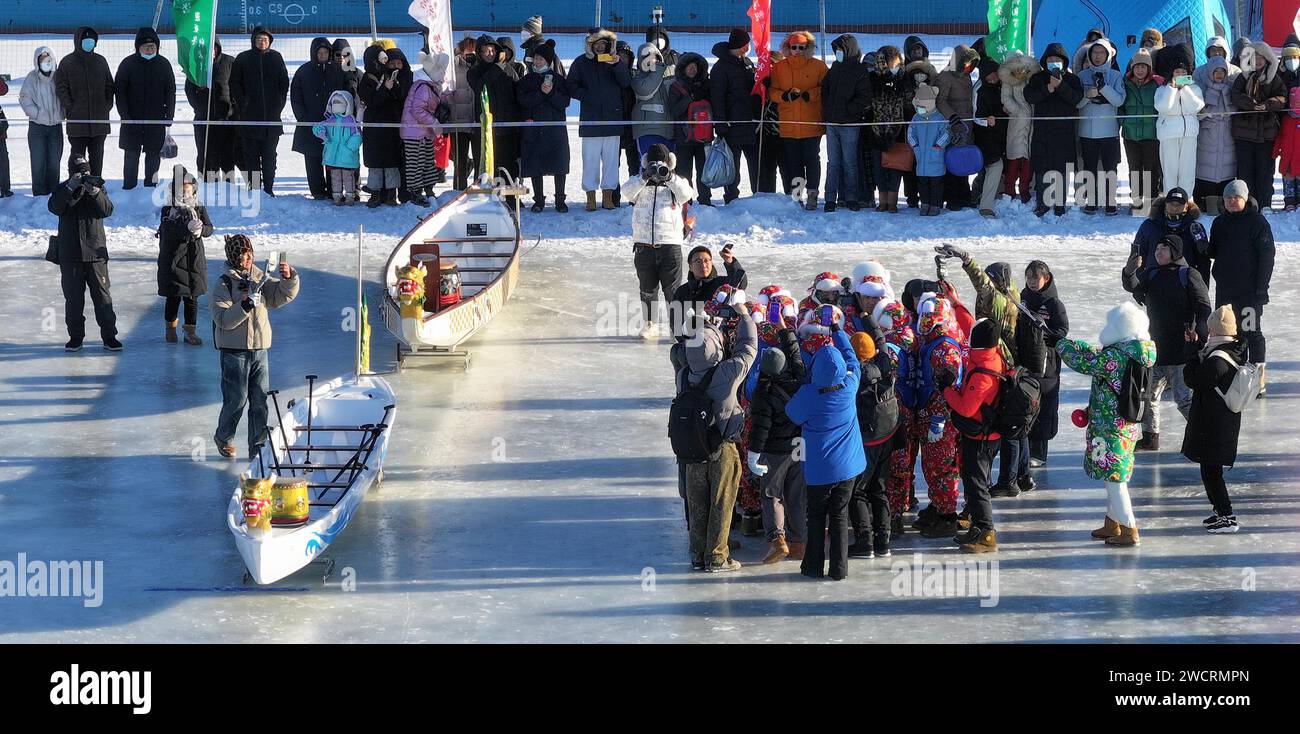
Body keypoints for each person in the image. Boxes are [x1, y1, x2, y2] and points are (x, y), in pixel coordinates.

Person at [1058, 303, 1156, 546]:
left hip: (1110, 425)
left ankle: (1129, 529)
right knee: (1113, 474)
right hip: (1125, 424)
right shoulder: (1136, 350)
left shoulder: (1116, 356)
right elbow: (1096, 354)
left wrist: (1060, 345)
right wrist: (1070, 341)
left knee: (1115, 479)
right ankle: (1113, 522)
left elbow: (1086, 364)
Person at [676, 294, 757, 572]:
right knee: (721, 502)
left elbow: (680, 351)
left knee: (698, 503)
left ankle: (698, 554)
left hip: (692, 448)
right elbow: (749, 348)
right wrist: (744, 315)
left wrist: (700, 327)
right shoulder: (726, 373)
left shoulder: (683, 374)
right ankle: (717, 557)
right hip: (722, 445)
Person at [785, 306, 864, 580]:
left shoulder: (809, 395)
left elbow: (791, 413)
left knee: (816, 517)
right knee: (840, 516)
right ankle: (839, 570)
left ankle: (812, 566)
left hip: (819, 471)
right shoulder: (850, 386)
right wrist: (838, 332)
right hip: (849, 467)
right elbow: (853, 360)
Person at [212, 234, 300, 459]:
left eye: (251, 253)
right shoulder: (224, 283)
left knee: (260, 399)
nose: (249, 258)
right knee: (236, 400)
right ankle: (224, 437)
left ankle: (258, 446)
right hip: (234, 352)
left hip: (260, 349)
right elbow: (222, 319)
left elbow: (279, 296)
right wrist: (246, 303)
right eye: (244, 254)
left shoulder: (259, 277)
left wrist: (288, 279)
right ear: (234, 257)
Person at [1121, 234, 1211, 451]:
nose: (1158, 252)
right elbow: (1133, 286)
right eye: (1157, 247)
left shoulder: (1188, 274)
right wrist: (1129, 270)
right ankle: (1151, 437)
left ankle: (1206, 436)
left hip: (1182, 349)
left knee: (1184, 400)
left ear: (1175, 252)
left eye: (1164, 248)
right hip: (1156, 348)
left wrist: (1199, 334)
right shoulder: (1151, 273)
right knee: (1148, 396)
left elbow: (1203, 308)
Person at [1182, 305, 1247, 533]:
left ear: (1217, 332)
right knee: (1209, 470)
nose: (1208, 335)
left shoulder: (1219, 360)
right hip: (1219, 422)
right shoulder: (1229, 350)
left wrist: (1191, 352)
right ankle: (1220, 512)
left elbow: (1193, 378)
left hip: (1214, 426)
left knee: (1211, 472)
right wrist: (1198, 346)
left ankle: (1227, 516)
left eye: (1210, 331)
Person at [623, 144, 696, 338]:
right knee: (646, 289)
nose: (657, 169)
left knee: (673, 290)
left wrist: (669, 177)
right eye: (653, 164)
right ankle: (650, 324)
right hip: (643, 244)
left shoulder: (677, 182)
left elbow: (687, 194)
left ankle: (676, 327)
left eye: (661, 164)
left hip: (670, 244)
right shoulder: (638, 182)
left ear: (669, 163)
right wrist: (644, 177)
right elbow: (626, 192)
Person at [944, 319, 1005, 552]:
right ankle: (977, 527)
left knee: (976, 483)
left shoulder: (983, 373)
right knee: (976, 481)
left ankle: (987, 534)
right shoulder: (990, 356)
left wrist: (946, 390)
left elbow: (966, 408)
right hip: (987, 434)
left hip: (981, 438)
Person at [1208, 179, 1274, 391]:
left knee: (1250, 331)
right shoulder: (1220, 223)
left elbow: (1267, 257)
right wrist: (1201, 244)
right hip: (1225, 290)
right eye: (1228, 198)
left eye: (1236, 197)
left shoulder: (1257, 222)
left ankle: (1257, 379)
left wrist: (1262, 289)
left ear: (1245, 199)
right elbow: (1213, 252)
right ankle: (1232, 375)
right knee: (1227, 333)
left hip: (1249, 291)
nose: (1231, 201)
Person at [748, 327, 807, 563]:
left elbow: (760, 429)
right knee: (796, 496)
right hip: (799, 446)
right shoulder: (799, 380)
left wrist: (753, 455)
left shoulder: (763, 394)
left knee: (771, 494)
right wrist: (785, 330)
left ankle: (777, 540)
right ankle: (798, 544)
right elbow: (795, 356)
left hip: (775, 452)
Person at [49, 155, 117, 351]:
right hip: (70, 254)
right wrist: (71, 188)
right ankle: (76, 337)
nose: (84, 175)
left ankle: (109, 336)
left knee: (103, 297)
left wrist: (95, 192)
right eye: (80, 172)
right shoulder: (63, 189)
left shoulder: (97, 187)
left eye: (86, 171)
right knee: (73, 299)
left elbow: (107, 210)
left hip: (95, 254)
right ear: (71, 172)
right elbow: (54, 207)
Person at [909, 297, 964, 537]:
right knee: (931, 466)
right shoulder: (929, 341)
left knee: (942, 467)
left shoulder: (945, 349)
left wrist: (938, 420)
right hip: (926, 412)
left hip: (940, 420)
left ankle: (947, 515)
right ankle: (937, 505)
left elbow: (947, 389)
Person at [847, 323, 897, 558]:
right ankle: (883, 540)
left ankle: (864, 541)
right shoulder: (884, 367)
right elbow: (882, 345)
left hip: (863, 443)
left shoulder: (852, 379)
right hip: (885, 438)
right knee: (880, 489)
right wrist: (867, 318)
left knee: (857, 491)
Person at [568, 28, 631, 211]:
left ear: (608, 45)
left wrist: (617, 65)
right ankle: (590, 196)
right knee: (590, 161)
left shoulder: (615, 61)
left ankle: (608, 197)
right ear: (590, 45)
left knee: (612, 162)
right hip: (591, 121)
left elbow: (626, 83)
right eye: (596, 44)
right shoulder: (581, 62)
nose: (599, 47)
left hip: (613, 119)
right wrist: (586, 96)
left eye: (602, 44)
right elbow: (571, 85)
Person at [769, 31, 827, 210]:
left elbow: (826, 89)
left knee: (811, 159)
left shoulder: (819, 67)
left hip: (812, 122)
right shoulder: (779, 68)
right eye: (794, 47)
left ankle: (812, 195)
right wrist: (784, 96)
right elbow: (772, 92)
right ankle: (796, 195)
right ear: (788, 48)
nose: (797, 50)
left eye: (802, 47)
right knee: (793, 162)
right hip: (789, 124)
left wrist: (813, 94)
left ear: (808, 48)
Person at [1024, 43, 1084, 216]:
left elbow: (1076, 99)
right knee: (1042, 168)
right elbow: (1029, 96)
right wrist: (1048, 88)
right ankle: (1043, 203)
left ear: (1064, 61)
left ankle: (1060, 204)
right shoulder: (1038, 78)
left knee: (1062, 169)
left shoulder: (1072, 79)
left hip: (1064, 133)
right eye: (1050, 59)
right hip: (1043, 132)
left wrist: (1060, 86)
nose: (1054, 62)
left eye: (1057, 59)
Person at [230, 26, 289, 195]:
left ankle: (269, 188)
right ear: (253, 41)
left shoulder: (276, 57)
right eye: (258, 39)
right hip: (249, 118)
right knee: (251, 156)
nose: (262, 42)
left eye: (265, 39)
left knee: (270, 157)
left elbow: (284, 82)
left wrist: (278, 103)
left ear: (270, 41)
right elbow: (235, 83)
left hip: (272, 119)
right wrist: (243, 103)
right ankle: (255, 188)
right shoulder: (243, 58)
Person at [157, 167, 212, 345]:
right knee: (173, 297)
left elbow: (210, 228)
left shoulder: (199, 206)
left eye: (188, 187)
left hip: (194, 258)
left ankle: (190, 332)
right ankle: (170, 329)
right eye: (182, 187)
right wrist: (187, 228)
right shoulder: (169, 208)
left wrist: (201, 230)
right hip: (174, 258)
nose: (186, 190)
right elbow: (167, 230)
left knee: (192, 298)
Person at [1022, 261, 1069, 466]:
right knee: (1025, 403)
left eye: (1036, 278)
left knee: (1044, 406)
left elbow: (1063, 330)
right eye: (1029, 277)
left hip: (1047, 363)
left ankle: (1038, 453)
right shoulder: (1021, 299)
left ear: (1046, 279)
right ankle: (1023, 450)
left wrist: (1049, 337)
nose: (1032, 282)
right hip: (1025, 358)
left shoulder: (1054, 304)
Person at [1230, 42, 1286, 210]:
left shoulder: (1275, 78)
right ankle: (1247, 203)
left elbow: (1282, 98)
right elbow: (1235, 95)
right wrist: (1250, 104)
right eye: (1255, 57)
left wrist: (1268, 104)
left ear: (1268, 59)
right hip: (1244, 132)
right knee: (1245, 170)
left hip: (1266, 133)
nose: (1258, 61)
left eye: (1261, 57)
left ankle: (1265, 204)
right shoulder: (1243, 77)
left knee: (1265, 171)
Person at [517, 41, 570, 213]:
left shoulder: (560, 80)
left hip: (555, 130)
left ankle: (560, 200)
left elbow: (564, 102)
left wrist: (552, 92)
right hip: (534, 129)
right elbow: (522, 101)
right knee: (535, 164)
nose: (537, 62)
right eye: (536, 59)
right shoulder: (526, 80)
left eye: (541, 59)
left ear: (548, 61)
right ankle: (538, 200)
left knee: (559, 164)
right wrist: (541, 92)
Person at [291, 37, 347, 200]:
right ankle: (317, 191)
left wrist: (340, 116)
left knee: (332, 157)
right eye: (319, 52)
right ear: (314, 53)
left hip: (333, 123)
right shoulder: (304, 71)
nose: (322, 55)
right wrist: (303, 117)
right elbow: (296, 96)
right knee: (312, 158)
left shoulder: (337, 70)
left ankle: (333, 190)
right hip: (310, 123)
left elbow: (344, 93)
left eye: (325, 52)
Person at [1074, 37, 1125, 215]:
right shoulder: (1081, 76)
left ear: (1108, 55)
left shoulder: (1116, 75)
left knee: (1110, 166)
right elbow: (1076, 104)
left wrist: (1104, 88)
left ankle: (1110, 200)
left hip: (1109, 130)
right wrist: (1087, 95)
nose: (1097, 56)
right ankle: (1092, 200)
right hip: (1087, 131)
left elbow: (1119, 100)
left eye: (1101, 52)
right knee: (1090, 166)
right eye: (1094, 53)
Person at [710, 29, 762, 204]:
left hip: (750, 123)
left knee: (755, 163)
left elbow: (753, 89)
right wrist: (721, 123)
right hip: (732, 125)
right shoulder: (720, 68)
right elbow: (717, 97)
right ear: (741, 46)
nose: (749, 47)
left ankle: (758, 195)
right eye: (747, 44)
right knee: (733, 165)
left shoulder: (746, 62)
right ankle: (731, 198)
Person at [54, 27, 114, 177]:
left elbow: (109, 85)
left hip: (99, 122)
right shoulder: (67, 62)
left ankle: (96, 186)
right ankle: (75, 186)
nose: (89, 44)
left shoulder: (100, 61)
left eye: (91, 41)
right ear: (78, 42)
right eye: (85, 41)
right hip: (77, 122)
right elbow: (61, 86)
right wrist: (69, 106)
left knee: (97, 157)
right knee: (77, 157)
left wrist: (107, 105)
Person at [820, 34, 871, 212]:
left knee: (850, 163)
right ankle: (829, 198)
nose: (837, 53)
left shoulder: (859, 70)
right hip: (832, 124)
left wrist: (849, 110)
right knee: (833, 163)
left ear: (849, 50)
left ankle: (851, 197)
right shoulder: (834, 67)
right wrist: (827, 110)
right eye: (836, 50)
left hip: (850, 124)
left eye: (841, 50)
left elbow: (864, 97)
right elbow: (824, 90)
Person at [360, 44, 411, 207]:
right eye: (382, 59)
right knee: (375, 163)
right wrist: (386, 89)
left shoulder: (389, 76)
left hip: (391, 125)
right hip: (374, 127)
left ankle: (391, 194)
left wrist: (393, 87)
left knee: (391, 162)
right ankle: (375, 194)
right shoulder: (367, 79)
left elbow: (397, 97)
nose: (385, 63)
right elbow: (372, 101)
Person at [1130, 187, 1209, 284]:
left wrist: (1202, 288)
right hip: (1153, 284)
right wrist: (1137, 284)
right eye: (1171, 203)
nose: (1174, 208)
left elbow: (1203, 261)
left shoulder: (1195, 229)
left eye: (1179, 204)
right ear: (1165, 204)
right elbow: (1137, 254)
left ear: (1186, 206)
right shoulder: (1149, 226)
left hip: (1184, 285)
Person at [401, 52, 450, 207]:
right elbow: (418, 110)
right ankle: (415, 191)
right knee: (415, 163)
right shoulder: (423, 87)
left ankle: (429, 189)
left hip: (424, 133)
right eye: (441, 72)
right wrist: (434, 122)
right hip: (414, 132)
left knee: (428, 161)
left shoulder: (432, 87)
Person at [935, 44, 980, 211]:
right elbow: (940, 101)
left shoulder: (966, 75)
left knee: (963, 161)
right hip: (952, 125)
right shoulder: (945, 76)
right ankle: (953, 198)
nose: (969, 66)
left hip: (967, 125)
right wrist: (952, 118)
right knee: (952, 162)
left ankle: (964, 196)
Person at [669, 245, 748, 339]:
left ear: (711, 263)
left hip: (722, 340)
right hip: (693, 344)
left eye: (707, 260)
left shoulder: (722, 284)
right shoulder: (682, 291)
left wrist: (731, 263)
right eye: (698, 261)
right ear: (690, 267)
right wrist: (687, 343)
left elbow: (741, 284)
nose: (703, 265)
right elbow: (676, 324)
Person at [186, 39, 237, 180]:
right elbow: (189, 89)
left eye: (213, 48)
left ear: (218, 48)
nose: (211, 51)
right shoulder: (196, 64)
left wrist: (232, 107)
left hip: (226, 118)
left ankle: (228, 185)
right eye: (207, 48)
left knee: (227, 153)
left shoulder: (229, 62)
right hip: (203, 118)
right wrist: (199, 107)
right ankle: (207, 184)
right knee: (206, 153)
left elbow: (237, 86)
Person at [1118, 48, 1163, 212]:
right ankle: (1136, 200)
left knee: (1151, 168)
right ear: (1132, 67)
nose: (1140, 70)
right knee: (1134, 167)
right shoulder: (1125, 83)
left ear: (1149, 68)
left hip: (1151, 133)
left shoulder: (1157, 83)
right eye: (1137, 66)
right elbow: (1120, 106)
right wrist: (1122, 120)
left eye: (1143, 66)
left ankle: (1151, 200)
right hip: (1131, 133)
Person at [866, 45, 908, 212]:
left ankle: (892, 201)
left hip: (897, 128)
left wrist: (900, 80)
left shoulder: (902, 78)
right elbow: (868, 102)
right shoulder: (872, 79)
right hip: (877, 127)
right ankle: (882, 200)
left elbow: (908, 99)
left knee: (895, 165)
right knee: (879, 167)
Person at [667, 52, 712, 206]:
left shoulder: (706, 85)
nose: (692, 70)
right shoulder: (675, 87)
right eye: (690, 67)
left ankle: (705, 199)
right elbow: (674, 111)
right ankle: (686, 201)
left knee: (703, 170)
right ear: (683, 69)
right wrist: (690, 98)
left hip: (703, 136)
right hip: (683, 137)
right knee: (684, 172)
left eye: (695, 67)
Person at [20, 46, 65, 196]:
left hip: (55, 127)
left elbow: (67, 96)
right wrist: (38, 114)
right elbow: (24, 99)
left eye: (48, 59)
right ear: (37, 62)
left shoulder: (60, 77)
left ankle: (54, 193)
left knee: (54, 163)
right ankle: (39, 194)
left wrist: (62, 112)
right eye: (42, 59)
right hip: (37, 127)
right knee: (38, 163)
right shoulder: (31, 78)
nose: (46, 62)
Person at [1195, 56, 1238, 210]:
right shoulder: (1201, 89)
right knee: (1205, 168)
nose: (1219, 74)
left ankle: (1223, 201)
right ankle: (1206, 202)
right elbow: (1197, 113)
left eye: (1222, 71)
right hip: (1207, 134)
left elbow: (1235, 110)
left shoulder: (1230, 89)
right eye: (1216, 71)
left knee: (1226, 168)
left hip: (1227, 135)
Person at [1155, 62, 1203, 196]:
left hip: (1189, 134)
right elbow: (1164, 107)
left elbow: (1196, 107)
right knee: (1170, 170)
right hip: (1168, 134)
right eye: (1177, 72)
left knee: (1187, 171)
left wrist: (1185, 89)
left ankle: (1186, 200)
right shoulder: (1162, 89)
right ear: (1171, 73)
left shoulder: (1195, 89)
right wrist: (1172, 89)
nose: (1180, 75)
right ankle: (1170, 201)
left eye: (1183, 72)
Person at [997, 50, 1037, 204]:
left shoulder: (1030, 78)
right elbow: (1005, 98)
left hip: (1031, 123)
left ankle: (1025, 190)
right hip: (1016, 122)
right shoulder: (1008, 81)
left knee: (1028, 158)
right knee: (1013, 158)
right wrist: (1017, 111)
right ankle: (1009, 190)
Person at [312, 90, 362, 205]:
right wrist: (320, 131)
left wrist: (350, 148)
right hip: (332, 156)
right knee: (335, 177)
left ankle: (350, 196)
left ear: (347, 104)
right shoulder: (330, 120)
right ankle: (337, 196)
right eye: (334, 103)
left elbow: (357, 136)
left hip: (347, 156)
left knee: (348, 177)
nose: (336, 105)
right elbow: (317, 127)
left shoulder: (351, 121)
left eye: (339, 102)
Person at [907, 84, 948, 216]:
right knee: (922, 183)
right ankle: (925, 203)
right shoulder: (916, 118)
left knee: (936, 184)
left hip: (936, 158)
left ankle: (935, 205)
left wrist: (938, 145)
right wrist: (915, 145)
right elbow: (910, 133)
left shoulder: (940, 118)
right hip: (921, 159)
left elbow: (946, 134)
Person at [973, 57, 1007, 218]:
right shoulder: (979, 89)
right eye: (988, 75)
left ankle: (994, 196)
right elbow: (974, 116)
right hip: (984, 136)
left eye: (994, 73)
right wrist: (986, 121)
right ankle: (985, 205)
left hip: (1003, 134)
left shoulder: (1004, 85)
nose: (992, 77)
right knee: (995, 165)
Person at [630, 42, 674, 157]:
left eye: (653, 56)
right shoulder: (637, 78)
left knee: (668, 168)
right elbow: (645, 91)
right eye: (645, 57)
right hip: (647, 131)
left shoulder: (669, 72)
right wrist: (658, 69)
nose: (650, 60)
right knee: (648, 166)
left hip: (669, 131)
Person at [449, 36, 481, 190]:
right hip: (458, 121)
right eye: (466, 51)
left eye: (473, 52)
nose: (469, 55)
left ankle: (478, 189)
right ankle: (458, 191)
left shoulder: (481, 68)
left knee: (479, 159)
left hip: (477, 122)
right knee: (459, 161)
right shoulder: (453, 68)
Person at [1274, 86, 1300, 210]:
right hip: (1287, 156)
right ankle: (1289, 200)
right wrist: (1276, 150)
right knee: (1288, 177)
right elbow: (1280, 136)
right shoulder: (1286, 119)